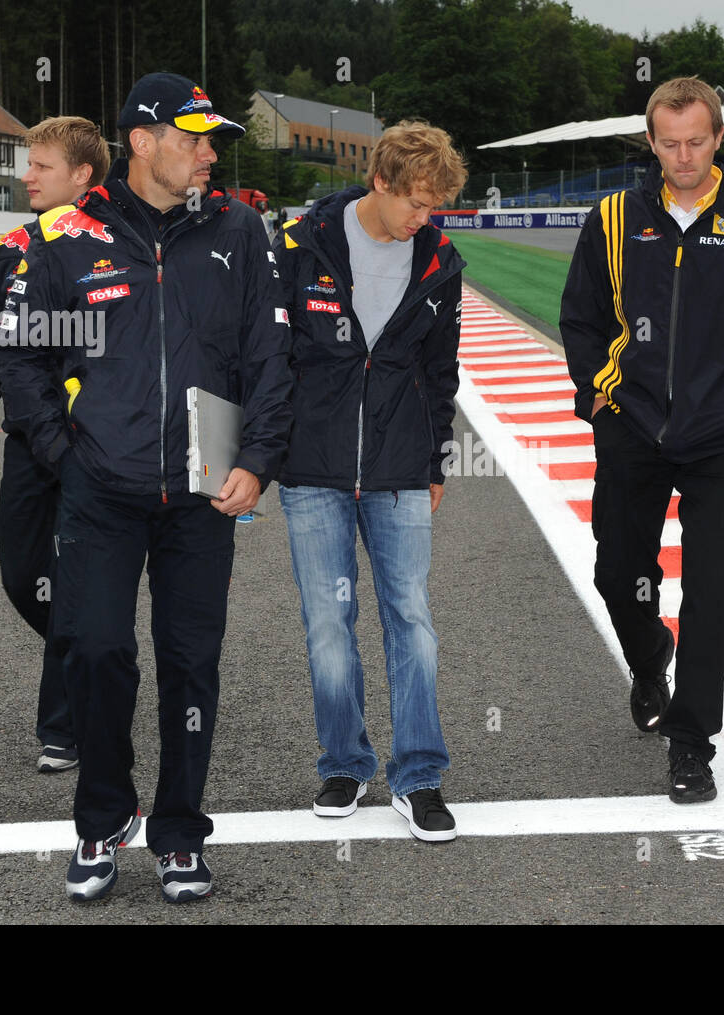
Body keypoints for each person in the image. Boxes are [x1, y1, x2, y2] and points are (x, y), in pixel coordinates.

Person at [0, 72, 292, 901]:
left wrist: (257, 458)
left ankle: (179, 831)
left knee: (192, 663)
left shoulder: (241, 231)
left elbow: (271, 359)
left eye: (211, 141)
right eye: (193, 138)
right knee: (93, 649)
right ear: (141, 141)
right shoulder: (64, 235)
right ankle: (102, 816)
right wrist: (63, 450)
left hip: (205, 489)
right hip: (101, 486)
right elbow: (21, 356)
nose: (208, 153)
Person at [560, 77, 724, 804]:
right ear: (651, 140)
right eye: (669, 142)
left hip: (723, 435)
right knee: (618, 574)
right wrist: (597, 397)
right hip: (632, 427)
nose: (684, 155)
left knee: (713, 594)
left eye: (696, 140)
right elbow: (579, 317)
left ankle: (691, 741)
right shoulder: (612, 216)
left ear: (720, 137)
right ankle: (648, 655)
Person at [275, 121, 467, 842]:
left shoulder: (441, 262)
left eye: (436, 207)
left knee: (411, 620)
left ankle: (418, 774)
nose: (426, 218)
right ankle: (345, 761)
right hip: (313, 470)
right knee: (329, 626)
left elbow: (440, 375)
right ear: (380, 182)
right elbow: (268, 355)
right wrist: (263, 455)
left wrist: (435, 459)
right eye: (417, 202)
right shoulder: (300, 244)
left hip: (399, 472)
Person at [0, 116, 110, 774]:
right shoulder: (12, 245)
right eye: (28, 163)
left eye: (40, 165)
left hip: (95, 444)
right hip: (26, 441)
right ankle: (97, 657)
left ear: (82, 175)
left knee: (75, 574)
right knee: (23, 575)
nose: (26, 175)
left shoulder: (116, 240)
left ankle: (64, 723)